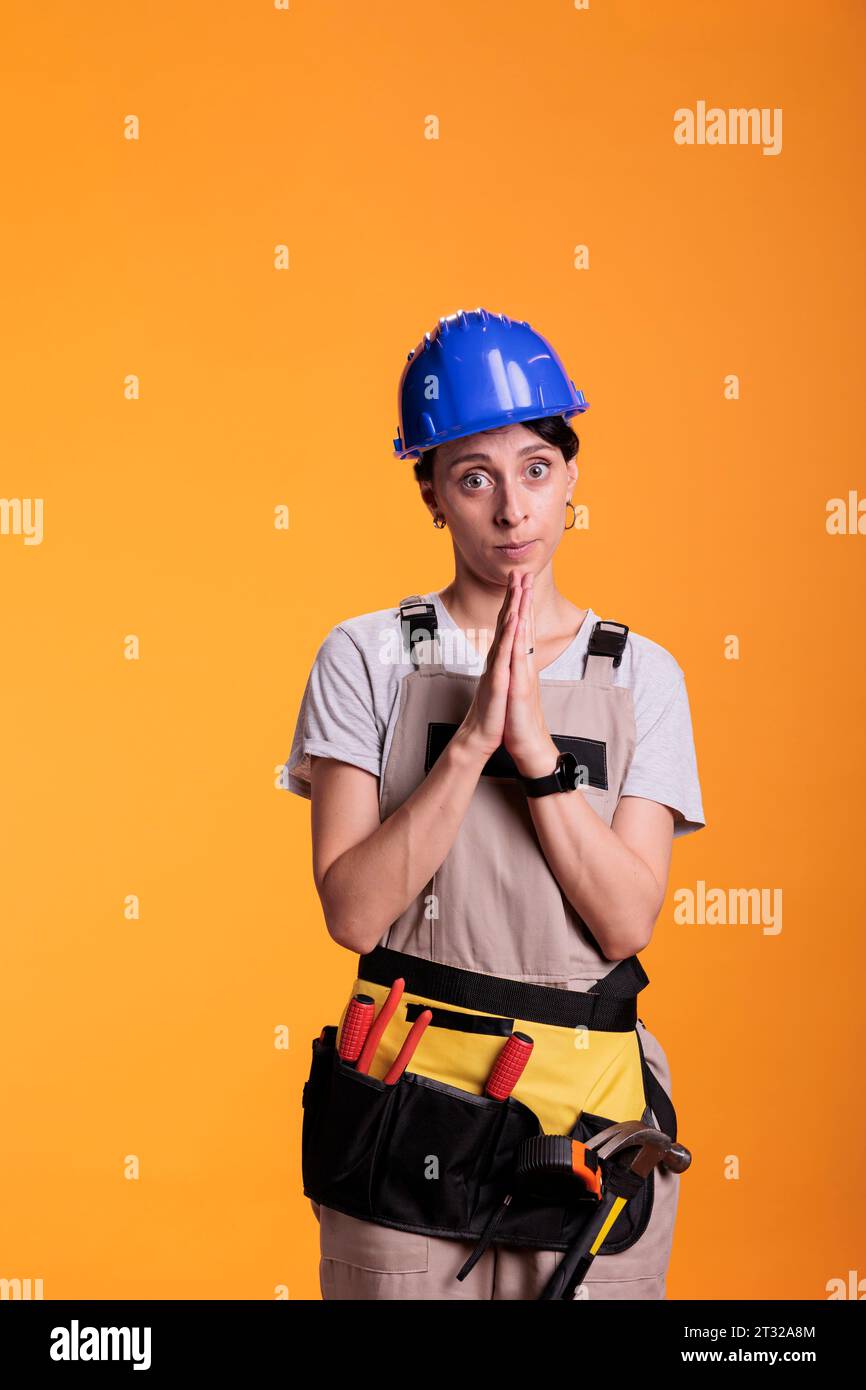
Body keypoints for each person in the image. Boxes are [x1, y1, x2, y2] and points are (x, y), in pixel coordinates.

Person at [283, 308, 706, 1300]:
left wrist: (535, 754)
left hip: (588, 1129)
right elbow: (352, 912)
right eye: (472, 477)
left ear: (569, 477)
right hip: (402, 1112)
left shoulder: (643, 675)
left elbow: (622, 919)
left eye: (534, 468)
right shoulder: (365, 657)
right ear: (430, 492)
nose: (511, 510)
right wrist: (470, 739)